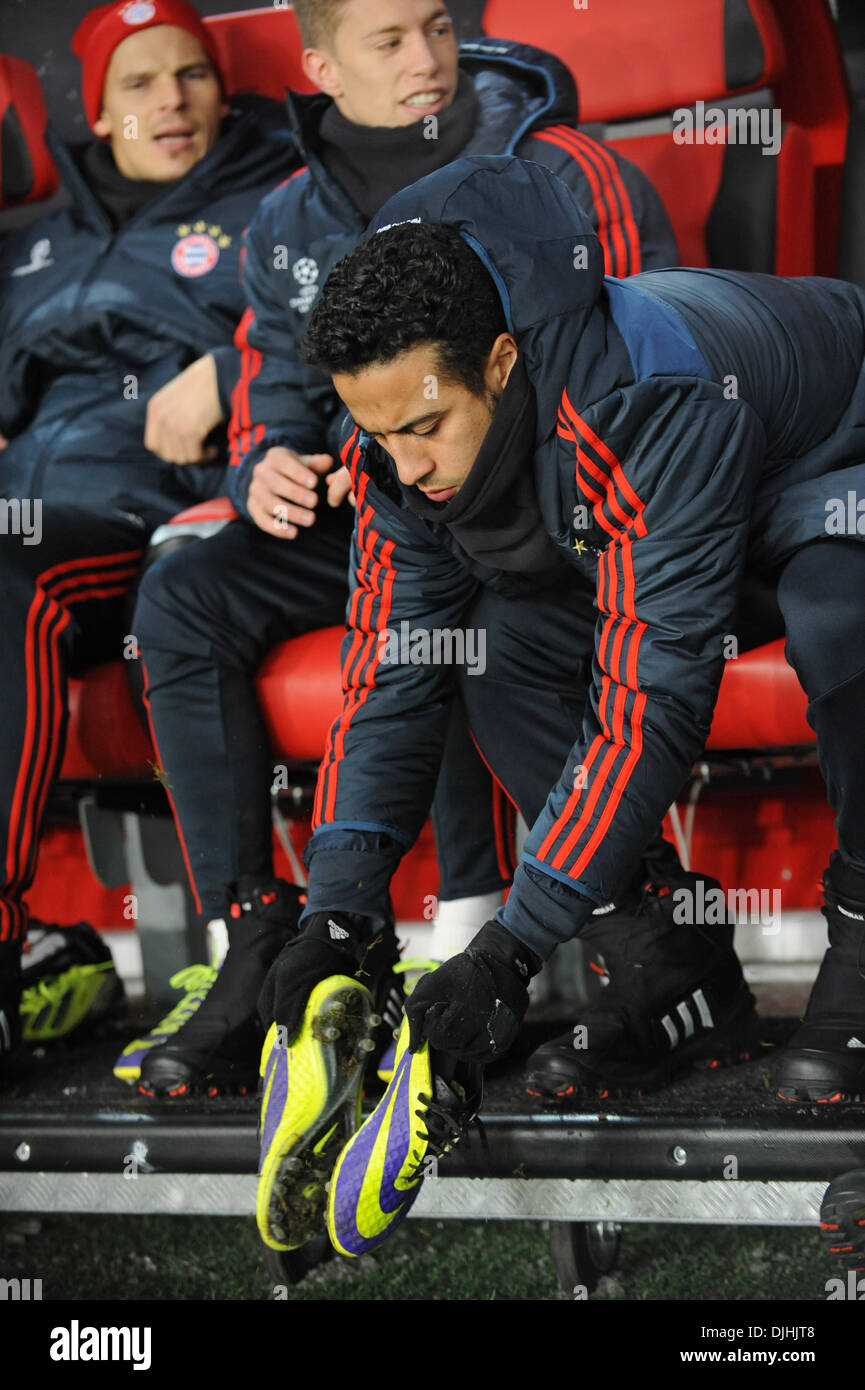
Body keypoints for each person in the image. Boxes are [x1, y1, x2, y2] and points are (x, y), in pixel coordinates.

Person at [255, 153, 865, 1257]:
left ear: (501, 361)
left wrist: (507, 951)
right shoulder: (404, 428)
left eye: (425, 428)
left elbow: (652, 702)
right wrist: (337, 909)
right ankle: (666, 960)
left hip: (829, 449)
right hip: (683, 511)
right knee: (489, 645)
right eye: (377, 435)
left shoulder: (643, 398)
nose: (401, 464)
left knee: (843, 618)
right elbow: (392, 667)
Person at [130, 0, 682, 1100]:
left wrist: (430, 449)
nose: (426, 60)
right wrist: (267, 467)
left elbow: (640, 360)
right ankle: (256, 937)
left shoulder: (565, 168)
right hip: (356, 509)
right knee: (182, 597)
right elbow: (268, 401)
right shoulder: (286, 216)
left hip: (533, 497)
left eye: (435, 25)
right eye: (388, 41)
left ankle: (512, 930)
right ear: (320, 64)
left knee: (454, 605)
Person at [0, 0, 300, 1074]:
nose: (171, 101)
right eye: (139, 83)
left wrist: (230, 370)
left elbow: (336, 317)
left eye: (192, 76)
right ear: (94, 105)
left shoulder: (279, 195)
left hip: (140, 510)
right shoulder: (38, 239)